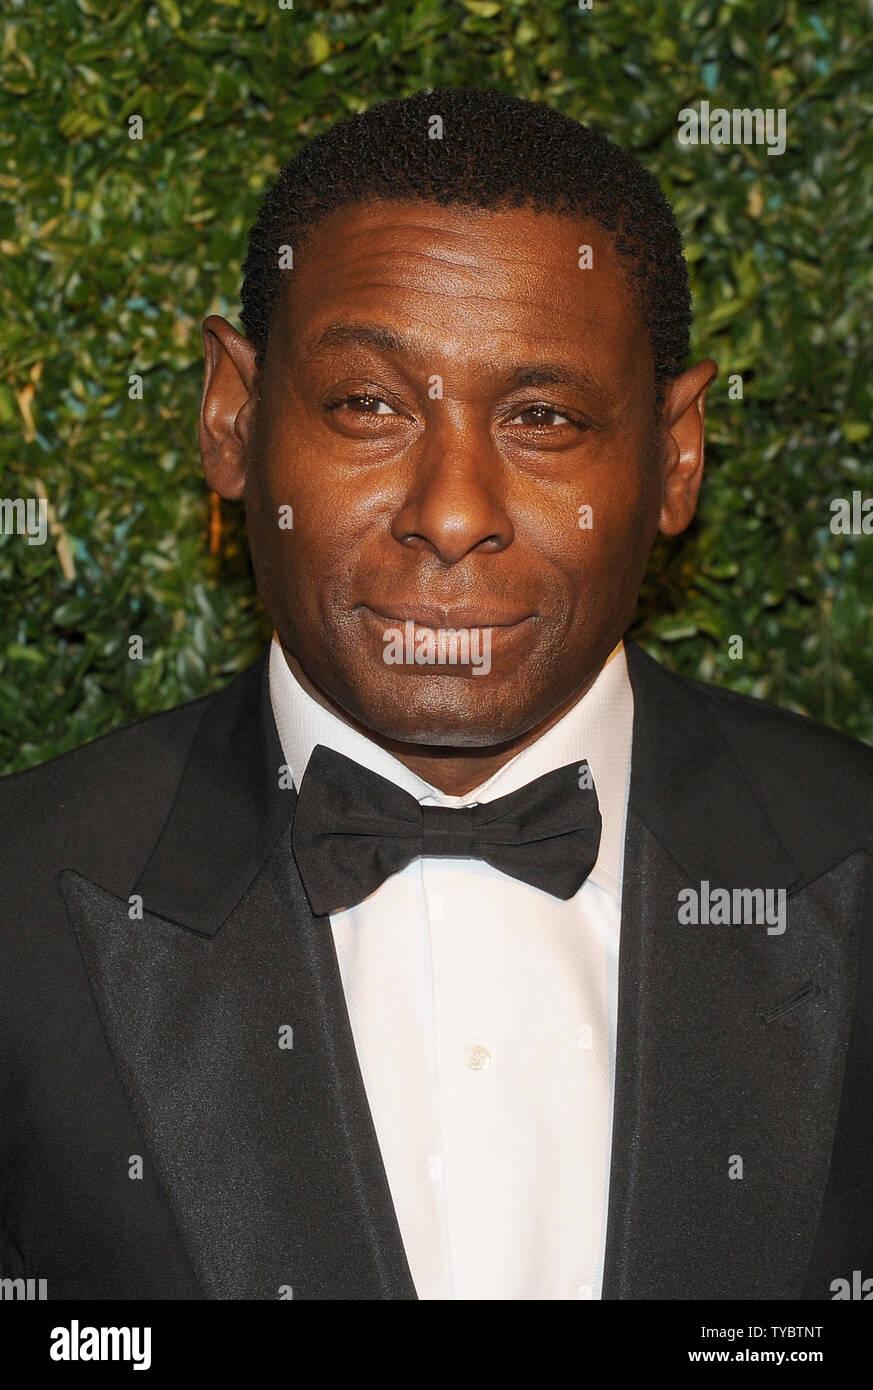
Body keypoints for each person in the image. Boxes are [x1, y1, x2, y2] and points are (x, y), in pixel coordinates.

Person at [1, 87, 871, 1302]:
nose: (452, 512)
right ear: (233, 414)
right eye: (369, 406)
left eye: (543, 417)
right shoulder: (19, 910)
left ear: (676, 455)